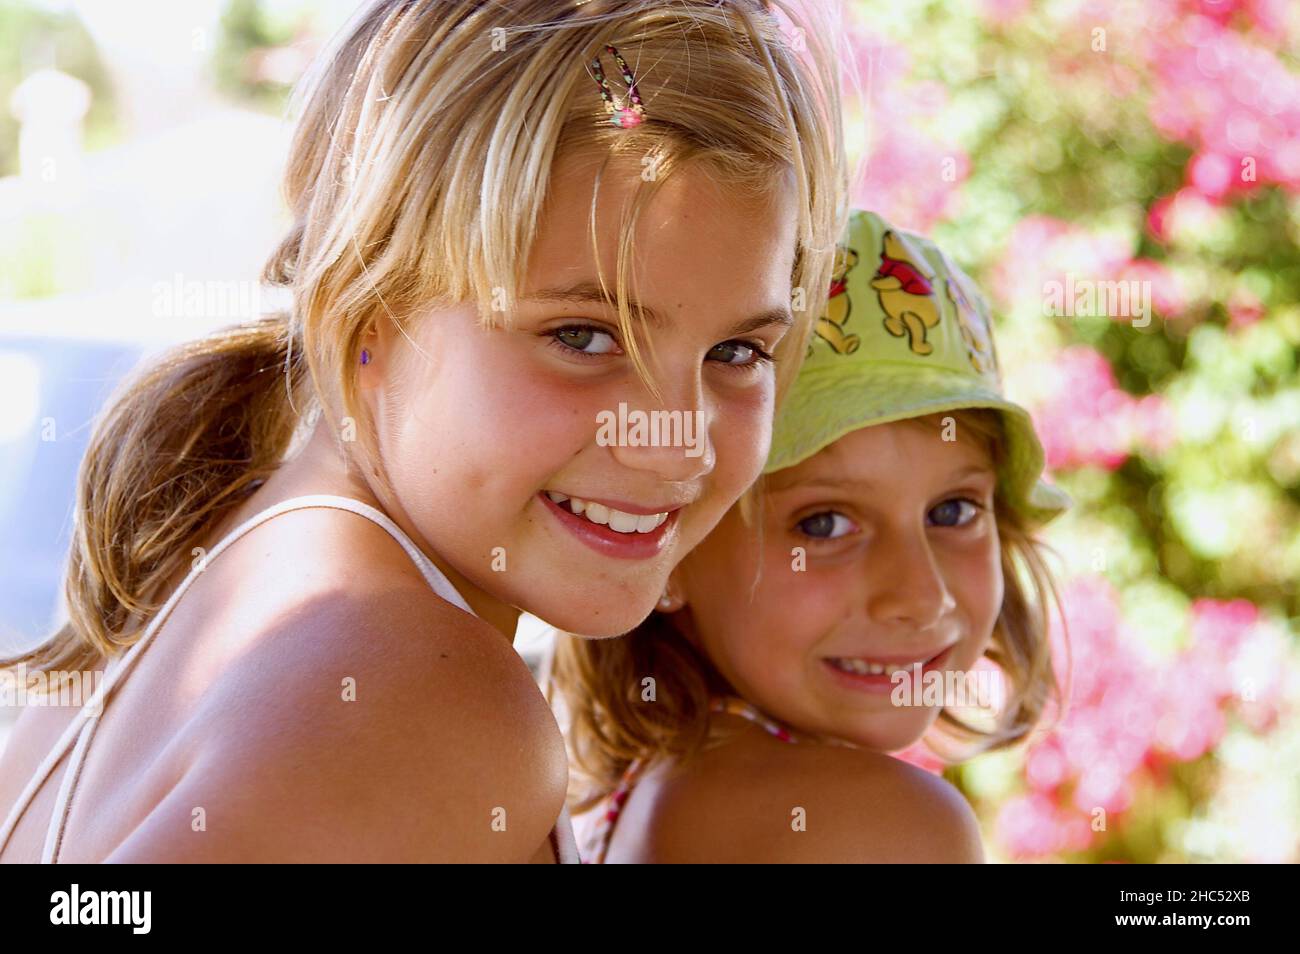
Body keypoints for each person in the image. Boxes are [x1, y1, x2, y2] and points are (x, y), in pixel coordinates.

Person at [0, 0, 847, 863]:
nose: (679, 442)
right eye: (583, 337)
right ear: (367, 312)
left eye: (738, 351)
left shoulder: (209, 588)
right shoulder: (416, 701)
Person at [551, 208, 1070, 863]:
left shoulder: (653, 794)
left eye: (953, 512)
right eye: (823, 524)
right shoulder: (881, 830)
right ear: (670, 550)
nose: (919, 595)